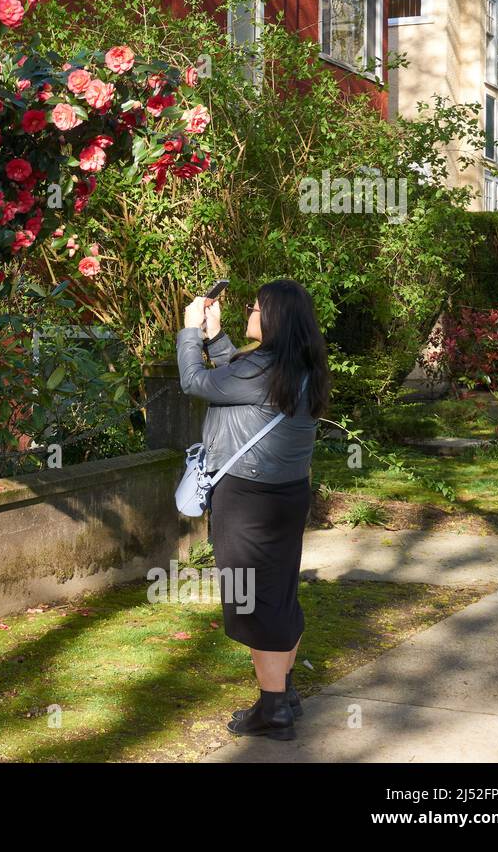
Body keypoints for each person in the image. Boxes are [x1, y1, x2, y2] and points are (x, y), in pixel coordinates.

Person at [175, 279, 330, 741]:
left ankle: (273, 711)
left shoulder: (263, 369)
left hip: (246, 501)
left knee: (254, 602)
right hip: (287, 496)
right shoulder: (298, 366)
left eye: (257, 309)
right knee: (279, 593)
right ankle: (283, 690)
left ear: (275, 319)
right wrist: (217, 337)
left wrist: (189, 331)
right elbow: (232, 381)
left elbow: (195, 382)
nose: (251, 312)